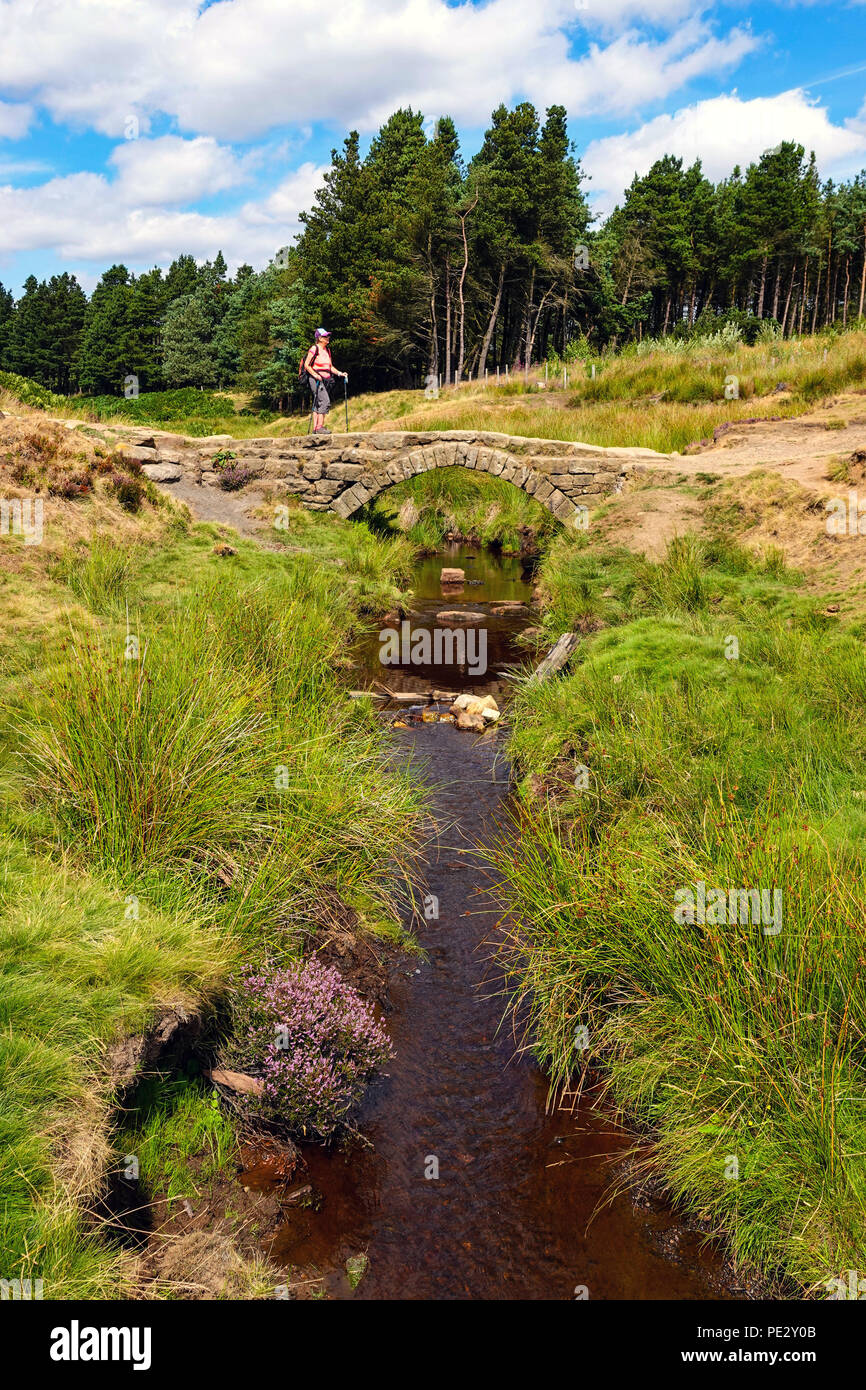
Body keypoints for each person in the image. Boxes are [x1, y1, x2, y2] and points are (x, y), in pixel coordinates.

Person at [305, 328, 347, 435]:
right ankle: (319, 427)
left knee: (318, 403)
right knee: (325, 401)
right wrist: (315, 375)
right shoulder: (314, 349)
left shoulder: (327, 350)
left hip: (326, 380)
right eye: (325, 336)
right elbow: (307, 365)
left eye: (328, 336)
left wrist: (340, 373)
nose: (328, 338)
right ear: (319, 338)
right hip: (316, 379)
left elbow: (330, 367)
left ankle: (315, 429)